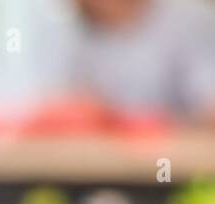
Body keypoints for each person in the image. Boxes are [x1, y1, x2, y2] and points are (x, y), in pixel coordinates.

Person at [67, 0, 215, 128]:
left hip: (177, 155)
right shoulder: (81, 30)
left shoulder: (189, 20)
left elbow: (208, 106)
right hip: (106, 153)